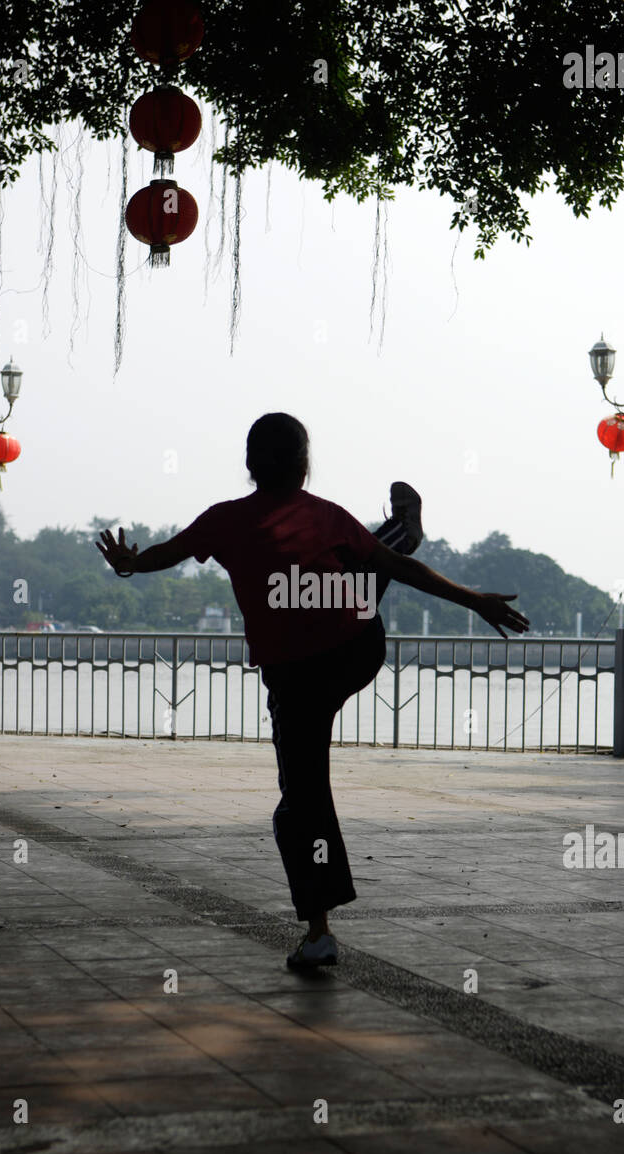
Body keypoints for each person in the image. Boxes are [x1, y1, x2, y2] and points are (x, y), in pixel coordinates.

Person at [96, 413, 528, 971]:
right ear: (305, 467)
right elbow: (401, 570)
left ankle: (320, 932)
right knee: (369, 568)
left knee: (301, 802)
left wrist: (130, 563)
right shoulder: (326, 516)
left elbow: (166, 554)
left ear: (250, 466)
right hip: (354, 646)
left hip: (299, 674)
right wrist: (475, 600)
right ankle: (398, 528)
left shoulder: (225, 521)